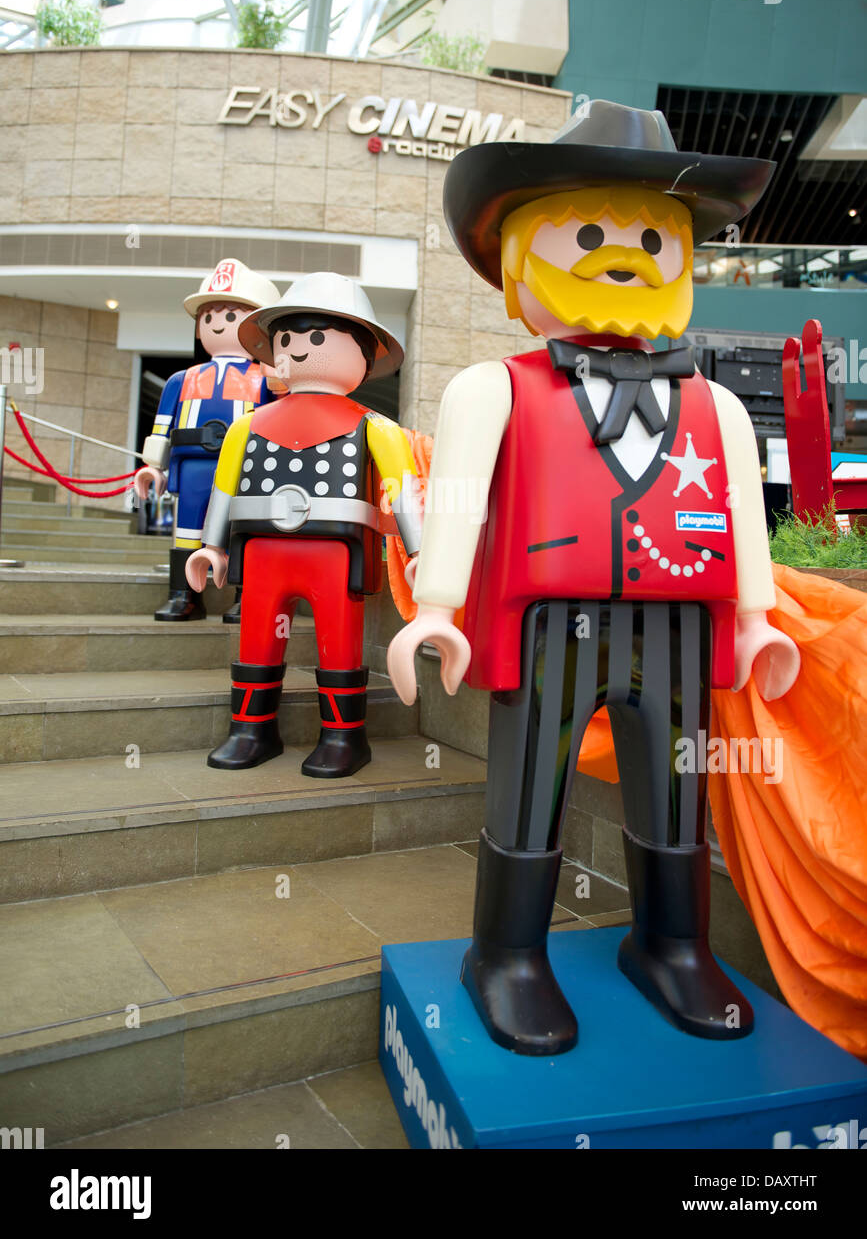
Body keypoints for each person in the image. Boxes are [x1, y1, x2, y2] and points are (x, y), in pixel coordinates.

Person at [387, 99, 801, 1055]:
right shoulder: (490, 387)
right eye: (586, 232)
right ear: (518, 262)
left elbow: (744, 516)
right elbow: (455, 498)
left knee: (675, 785)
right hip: (545, 625)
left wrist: (754, 618)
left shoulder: (719, 407)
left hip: (678, 631)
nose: (624, 254)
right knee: (529, 783)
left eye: (654, 236)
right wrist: (438, 604)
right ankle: (506, 954)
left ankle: (671, 943)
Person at [186, 272, 423, 779]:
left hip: (337, 557)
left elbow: (403, 490)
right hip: (265, 555)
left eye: (318, 337)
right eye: (288, 338)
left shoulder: (374, 426)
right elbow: (224, 491)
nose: (299, 348)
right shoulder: (246, 426)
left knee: (339, 639)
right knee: (257, 636)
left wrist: (419, 549)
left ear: (364, 352)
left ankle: (343, 737)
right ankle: (251, 728)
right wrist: (210, 547)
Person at [134, 259, 280, 622]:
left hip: (248, 467)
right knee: (187, 529)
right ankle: (184, 594)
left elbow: (279, 424)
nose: (217, 324)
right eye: (209, 317)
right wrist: (152, 467)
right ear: (199, 328)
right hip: (194, 465)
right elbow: (162, 426)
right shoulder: (181, 380)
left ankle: (248, 596)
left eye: (231, 317)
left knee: (244, 527)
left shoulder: (265, 379)